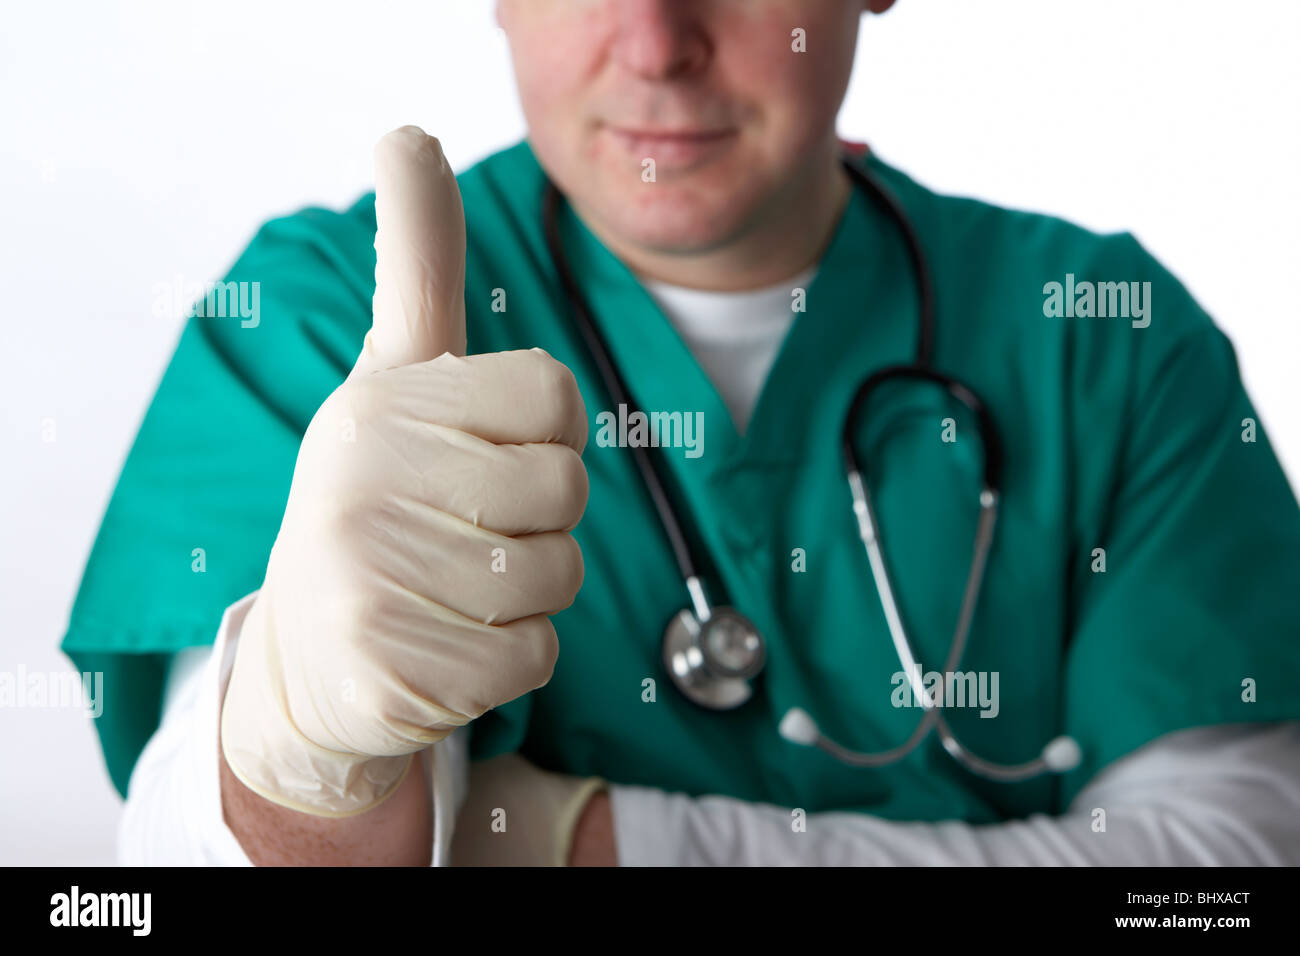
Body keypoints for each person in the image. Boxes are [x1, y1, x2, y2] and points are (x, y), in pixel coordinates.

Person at [65, 0, 1300, 867]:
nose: (656, 44)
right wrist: (304, 765)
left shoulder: (1103, 334)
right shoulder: (325, 319)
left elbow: (1225, 869)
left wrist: (571, 843)